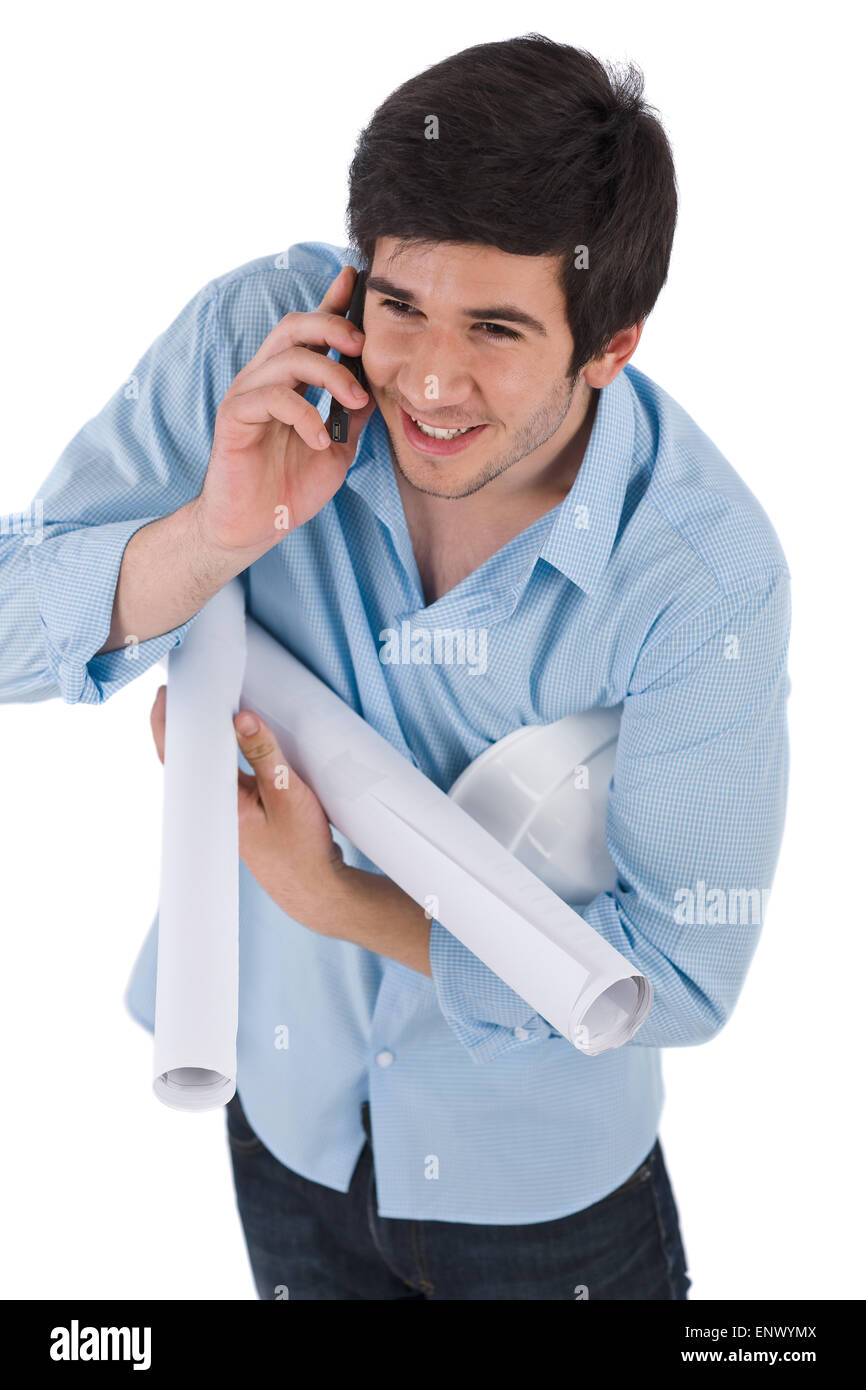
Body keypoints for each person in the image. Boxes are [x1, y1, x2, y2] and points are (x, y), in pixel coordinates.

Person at [0, 34, 790, 1300]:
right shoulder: (257, 348)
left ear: (608, 345)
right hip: (285, 1113)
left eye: (495, 329)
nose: (426, 378)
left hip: (539, 1184)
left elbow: (680, 979)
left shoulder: (699, 577)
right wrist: (212, 535)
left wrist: (336, 899)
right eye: (400, 305)